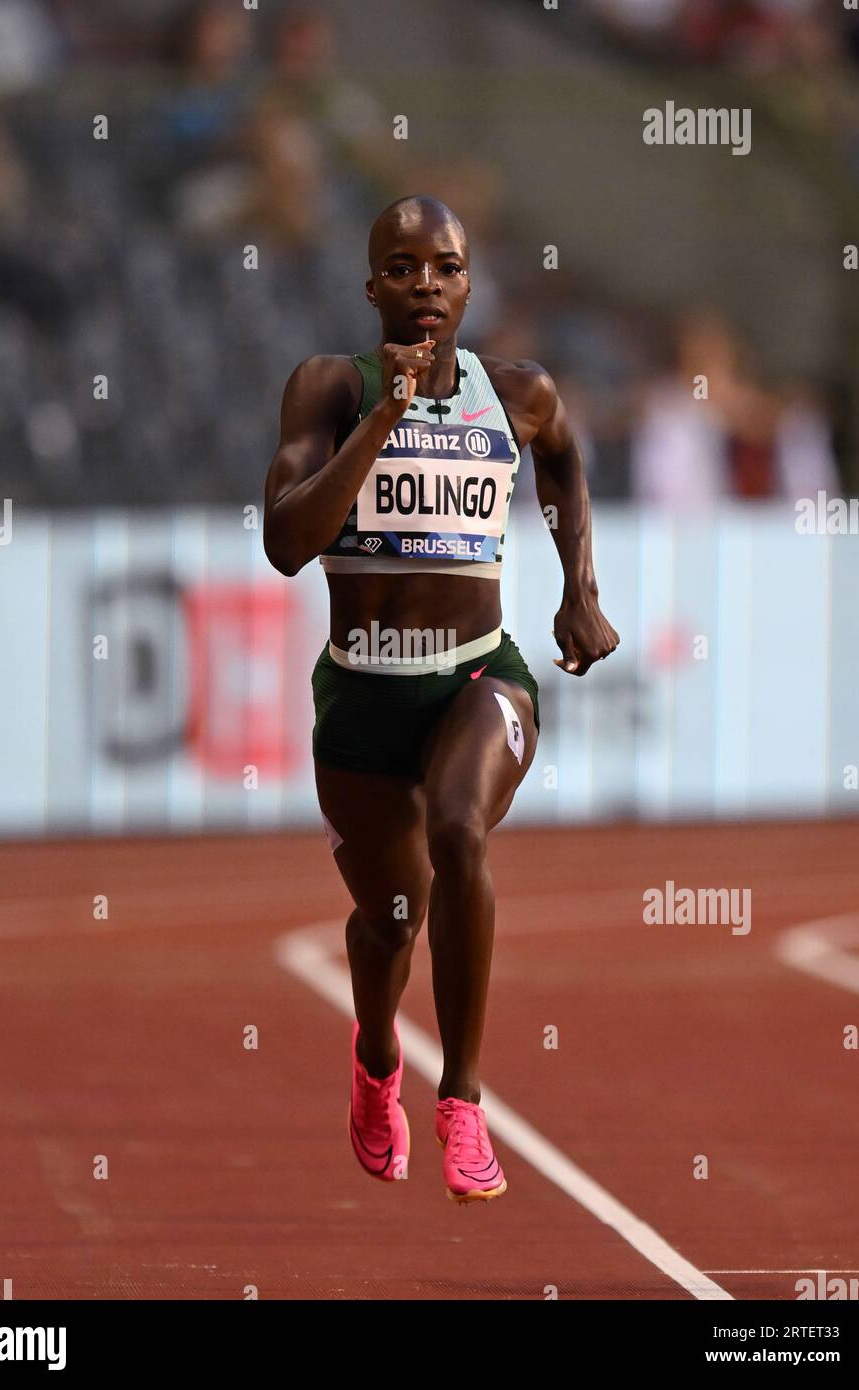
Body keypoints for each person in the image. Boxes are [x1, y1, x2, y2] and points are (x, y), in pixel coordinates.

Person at [264, 195, 618, 1202]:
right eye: (405, 268)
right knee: (389, 924)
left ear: (470, 283)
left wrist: (579, 590)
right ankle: (378, 1058)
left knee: (461, 829)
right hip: (364, 696)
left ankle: (463, 1099)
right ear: (372, 285)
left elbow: (562, 462)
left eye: (447, 268)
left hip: (477, 672)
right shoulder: (330, 388)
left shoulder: (520, 392)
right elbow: (288, 542)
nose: (427, 286)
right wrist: (383, 419)